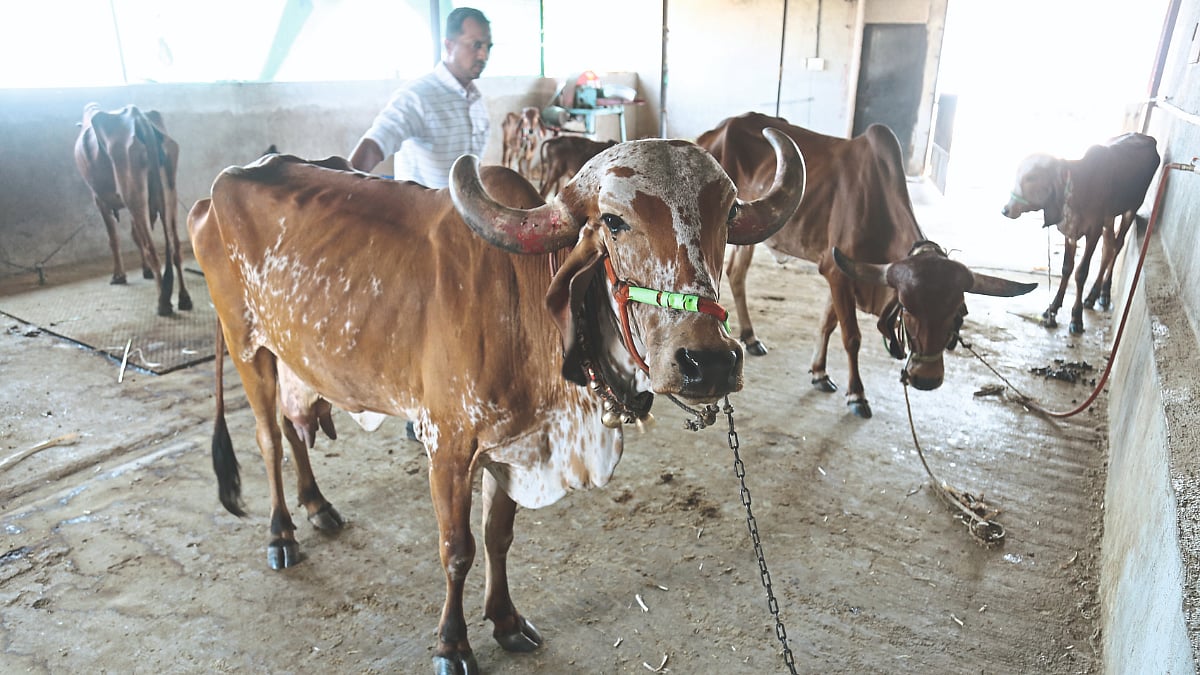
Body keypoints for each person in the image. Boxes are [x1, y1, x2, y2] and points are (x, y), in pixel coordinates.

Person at [348, 7, 492, 187]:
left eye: (488, 46)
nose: (484, 55)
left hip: (460, 213)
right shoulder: (418, 95)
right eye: (476, 45)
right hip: (422, 213)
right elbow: (376, 142)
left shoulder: (476, 101)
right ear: (449, 45)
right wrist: (343, 191)